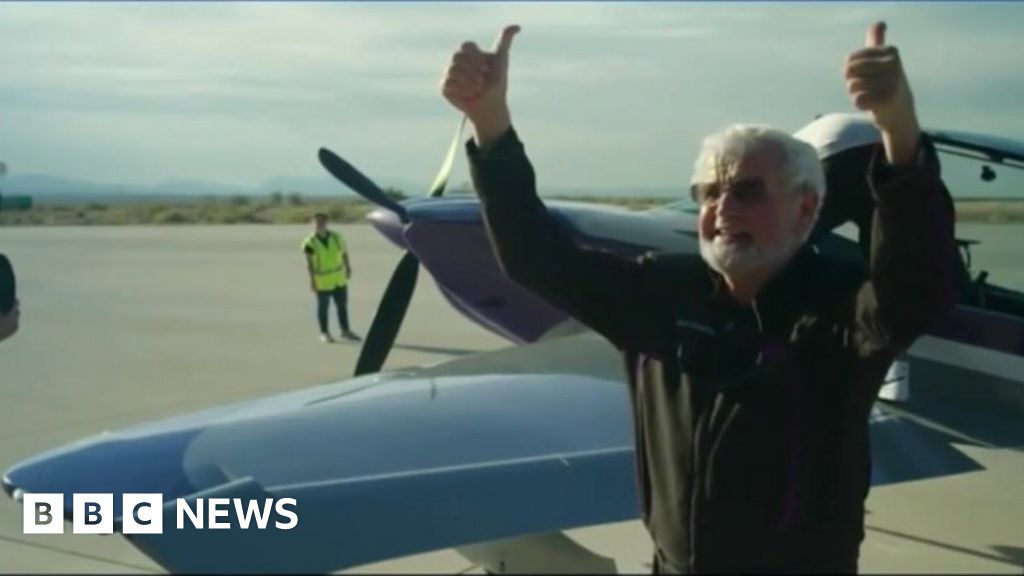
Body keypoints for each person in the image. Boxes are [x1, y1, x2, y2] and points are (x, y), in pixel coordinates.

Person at [442, 21, 958, 574]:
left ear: (806, 208)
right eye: (709, 193)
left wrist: (899, 133)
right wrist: (490, 124)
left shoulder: (840, 312)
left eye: (747, 192)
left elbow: (915, 286)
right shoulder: (661, 295)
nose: (723, 209)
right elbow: (535, 256)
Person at [302, 213, 360, 343]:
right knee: (323, 307)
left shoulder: (337, 237)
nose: (319, 224)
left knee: (342, 306)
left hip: (339, 277)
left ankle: (345, 330)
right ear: (312, 223)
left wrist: (348, 267)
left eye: (321, 222)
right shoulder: (309, 242)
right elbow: (309, 263)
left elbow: (344, 252)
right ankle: (324, 333)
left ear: (327, 222)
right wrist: (312, 280)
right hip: (323, 280)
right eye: (316, 222)